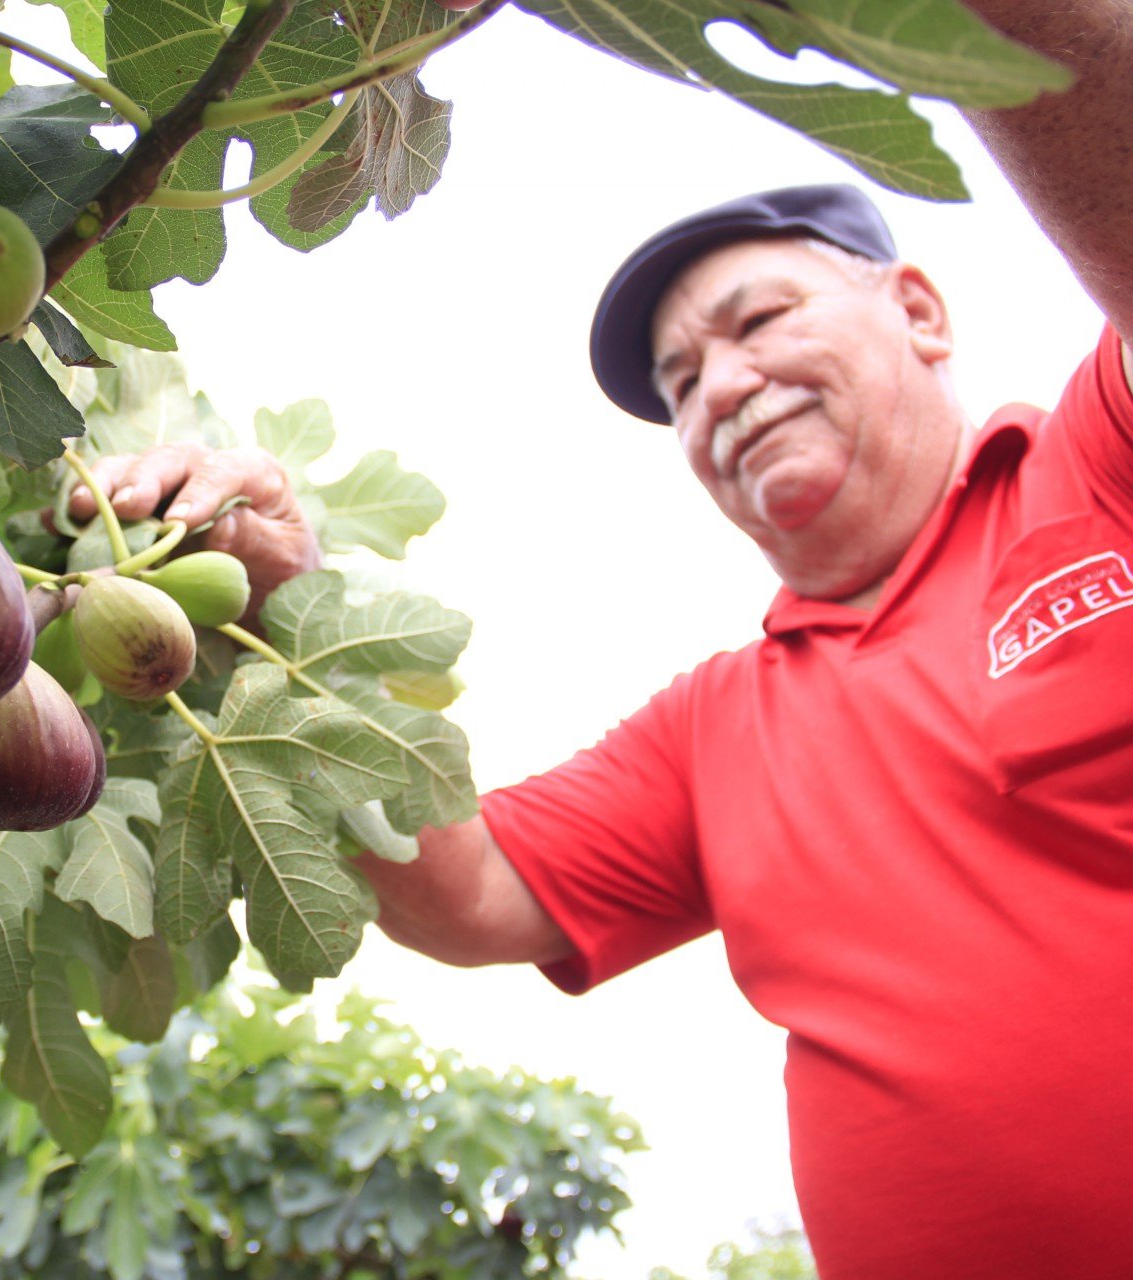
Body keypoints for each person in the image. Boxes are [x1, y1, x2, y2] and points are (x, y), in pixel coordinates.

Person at [69, 7, 1133, 1277]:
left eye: (759, 321)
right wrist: (276, 603)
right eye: (682, 383)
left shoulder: (1097, 465)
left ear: (918, 307)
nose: (722, 389)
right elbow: (461, 893)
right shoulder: (715, 729)